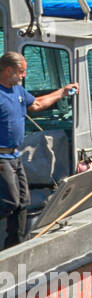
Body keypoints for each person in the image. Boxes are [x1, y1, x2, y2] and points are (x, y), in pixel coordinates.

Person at [0, 51, 77, 249]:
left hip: (15, 155)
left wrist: (62, 92)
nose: (24, 76)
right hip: (1, 157)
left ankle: (14, 246)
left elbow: (36, 104)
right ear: (8, 70)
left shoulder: (17, 90)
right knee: (10, 202)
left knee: (23, 202)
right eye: (21, 72)